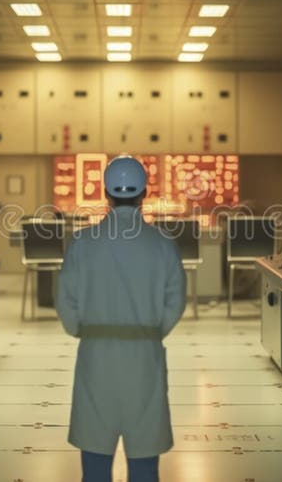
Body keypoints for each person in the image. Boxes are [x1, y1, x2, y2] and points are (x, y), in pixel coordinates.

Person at [56, 155, 187, 482]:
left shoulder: (83, 243)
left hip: (96, 357)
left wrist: (82, 330)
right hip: (144, 359)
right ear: (144, 194)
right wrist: (152, 332)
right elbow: (175, 301)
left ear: (107, 194)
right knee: (144, 461)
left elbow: (66, 302)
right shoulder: (161, 244)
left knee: (96, 459)